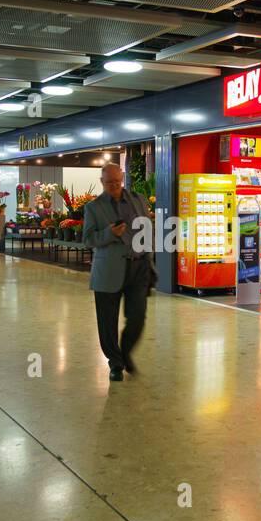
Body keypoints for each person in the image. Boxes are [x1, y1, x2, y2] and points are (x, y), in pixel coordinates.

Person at [83, 163, 155, 382]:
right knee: (107, 322)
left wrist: (149, 260)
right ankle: (115, 363)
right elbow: (88, 240)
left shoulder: (139, 200)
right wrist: (109, 233)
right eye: (109, 183)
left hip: (138, 267)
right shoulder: (93, 207)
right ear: (102, 182)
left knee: (137, 317)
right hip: (108, 270)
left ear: (122, 178)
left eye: (117, 181)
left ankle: (125, 352)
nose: (114, 186)